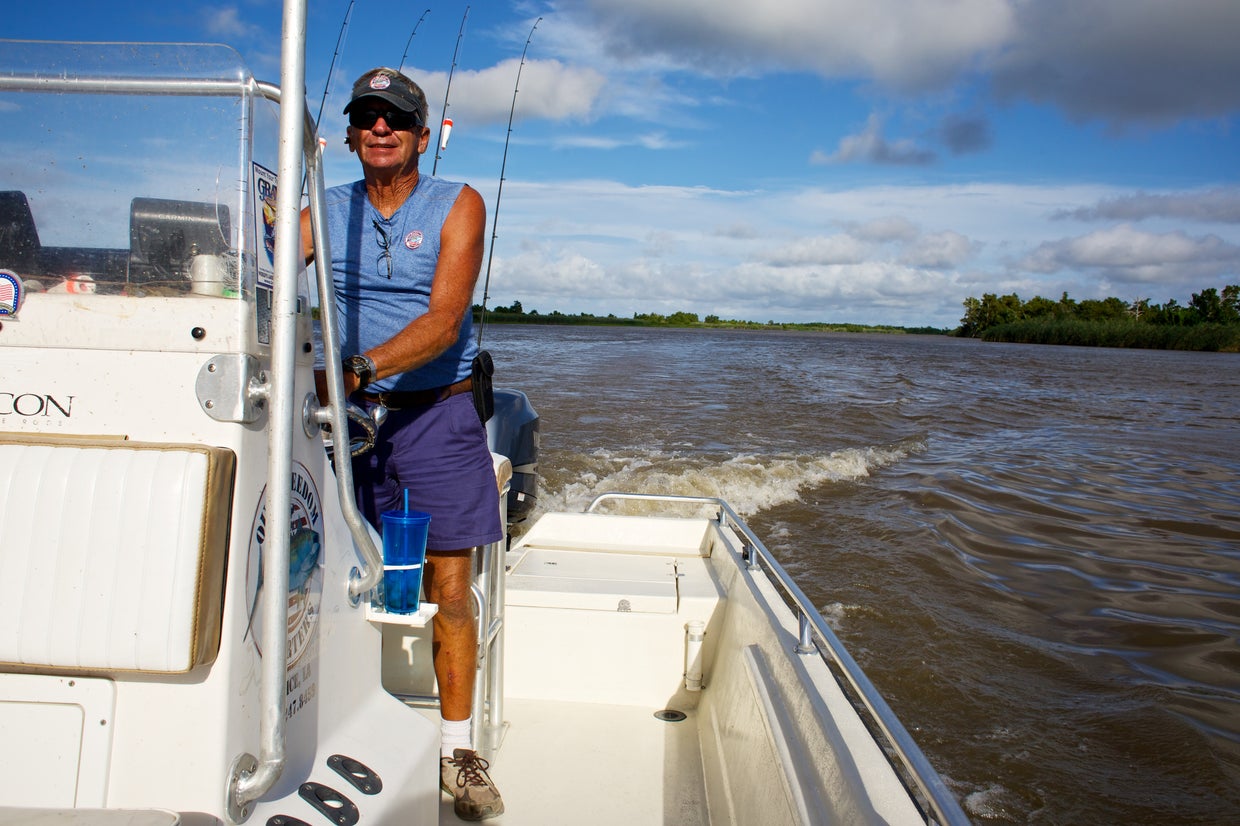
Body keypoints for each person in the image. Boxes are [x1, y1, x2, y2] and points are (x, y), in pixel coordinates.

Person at [302, 67, 504, 822]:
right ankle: (323, 721)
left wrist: (353, 370)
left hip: (434, 415)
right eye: (367, 117)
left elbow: (444, 323)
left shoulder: (458, 204)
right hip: (341, 421)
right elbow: (257, 268)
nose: (380, 127)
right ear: (351, 135)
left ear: (423, 137)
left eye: (396, 117)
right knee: (311, 573)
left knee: (447, 591)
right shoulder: (322, 208)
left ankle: (458, 753)